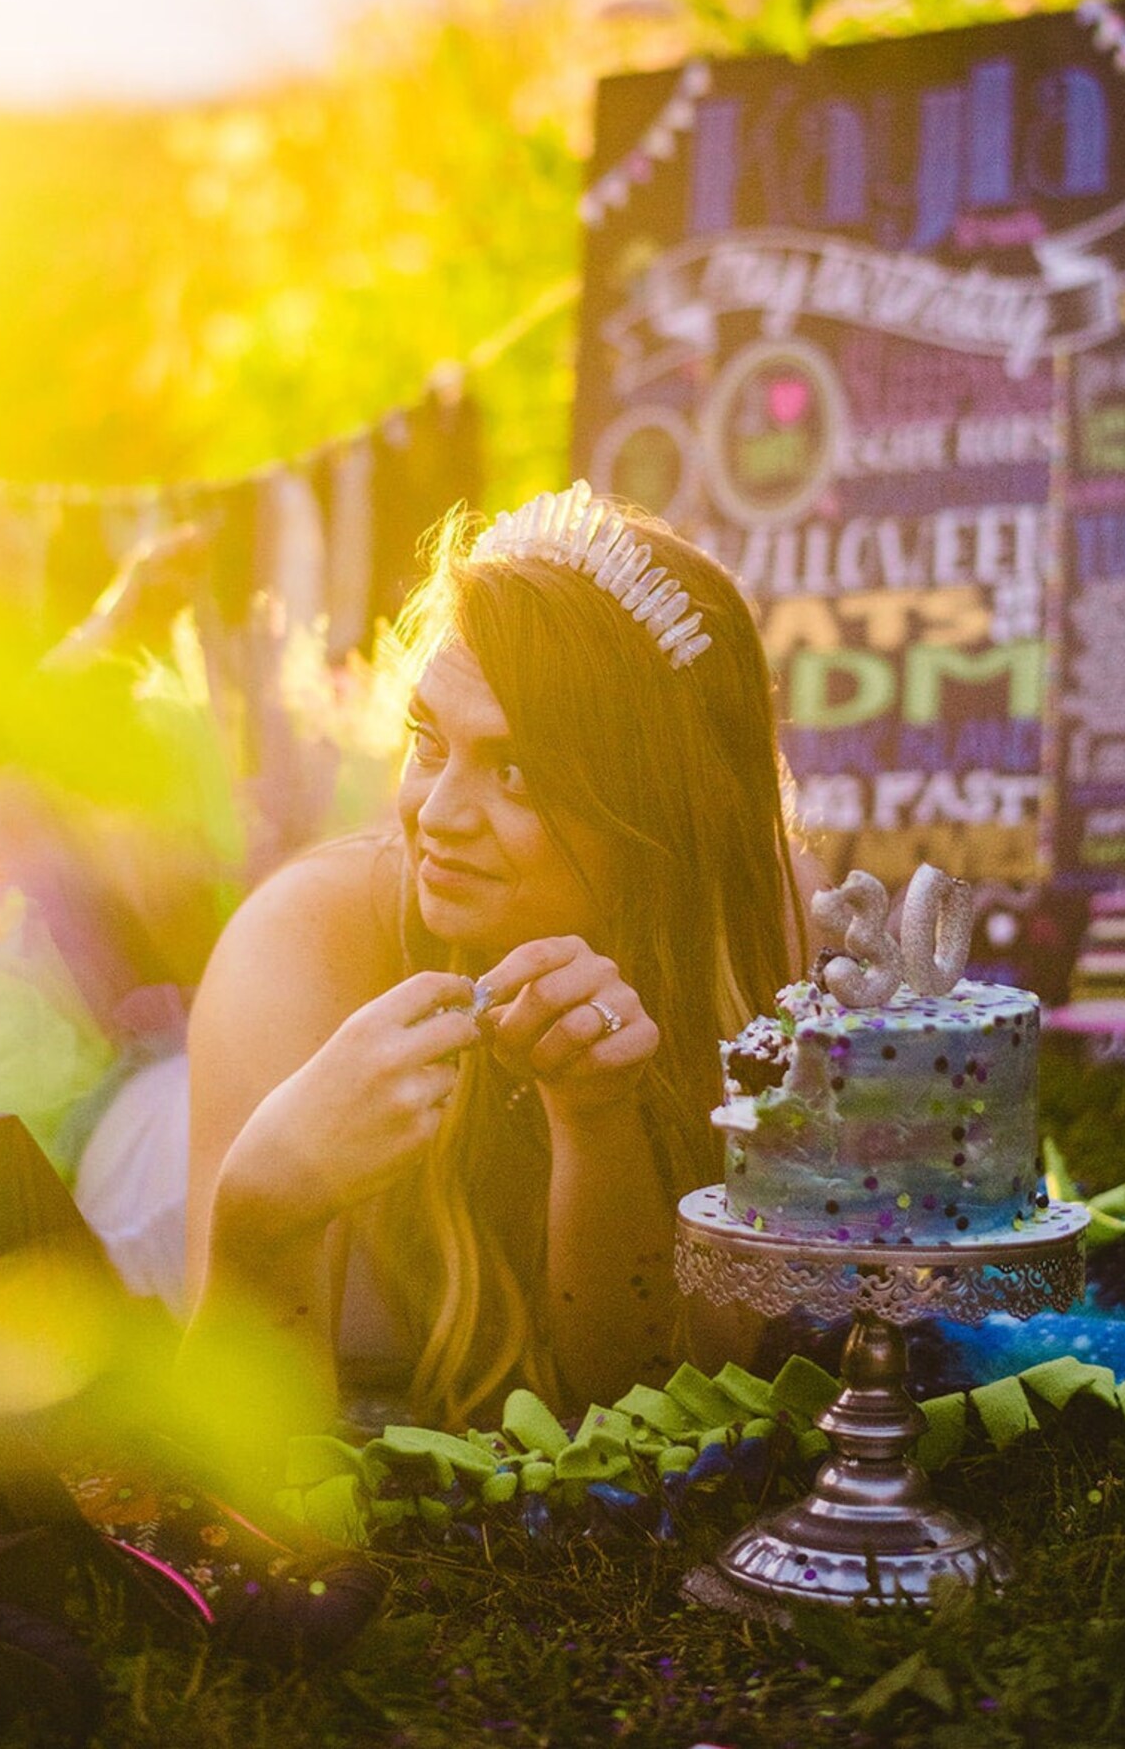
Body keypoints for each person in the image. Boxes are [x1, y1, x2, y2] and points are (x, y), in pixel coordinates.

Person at [185, 483, 815, 1430]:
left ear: (656, 808)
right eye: (428, 743)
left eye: (516, 770)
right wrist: (265, 1208)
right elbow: (236, 1461)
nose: (435, 817)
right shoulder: (303, 949)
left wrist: (598, 1122)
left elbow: (645, 1406)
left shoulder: (762, 937)